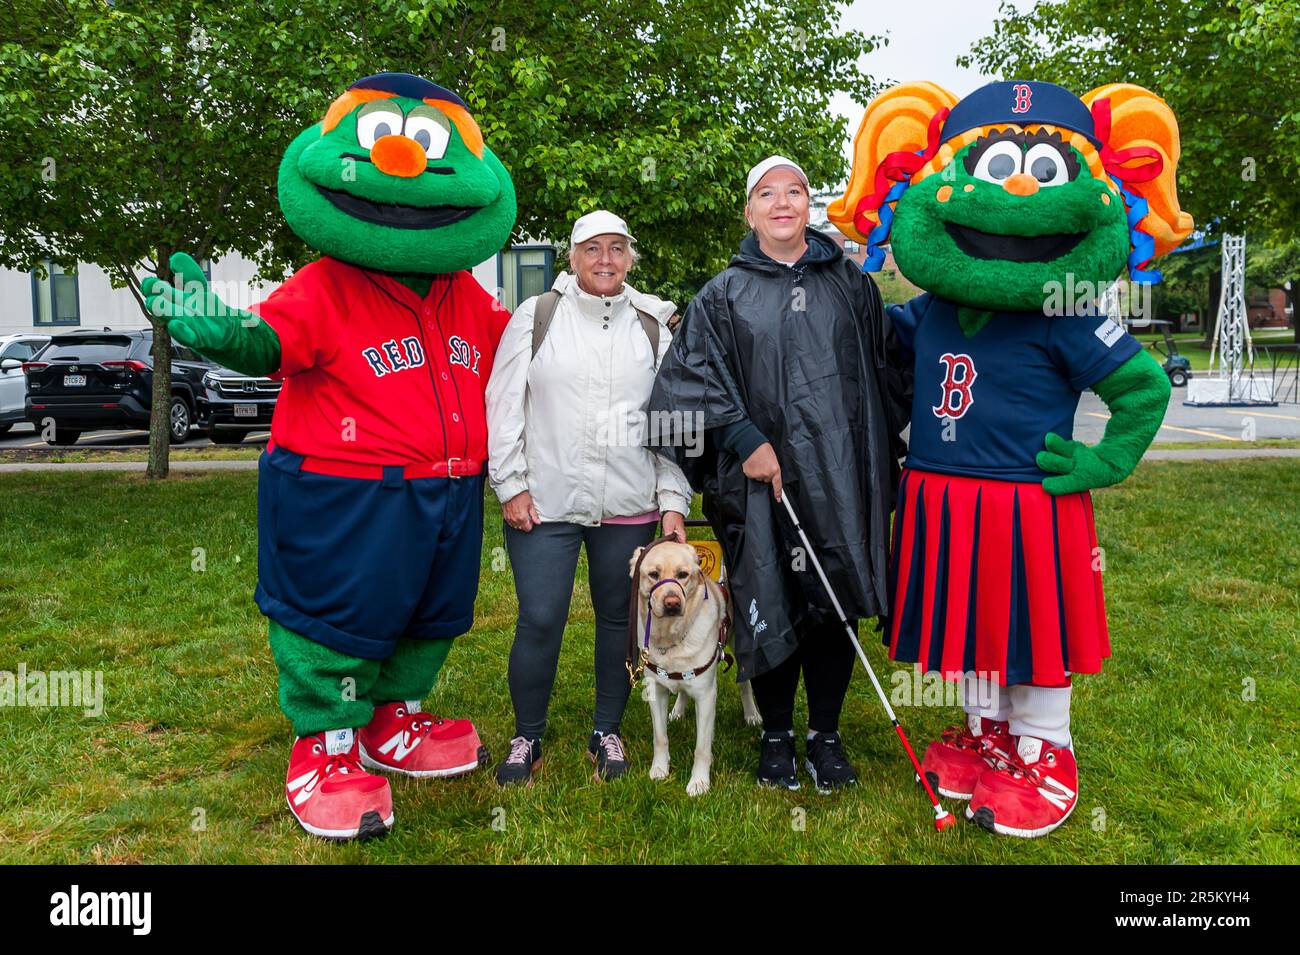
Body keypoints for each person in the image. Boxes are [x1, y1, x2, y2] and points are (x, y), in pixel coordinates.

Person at [141, 73, 517, 840]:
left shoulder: (466, 294)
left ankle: (393, 720)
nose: (409, 162)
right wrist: (202, 321)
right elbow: (262, 343)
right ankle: (325, 743)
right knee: (337, 619)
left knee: (429, 613)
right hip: (345, 493)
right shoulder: (326, 285)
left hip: (446, 494)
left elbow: (519, 354)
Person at [647, 157, 911, 792]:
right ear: (750, 211)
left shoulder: (850, 283)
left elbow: (887, 374)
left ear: (807, 206)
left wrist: (875, 454)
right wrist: (743, 440)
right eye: (768, 194)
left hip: (841, 477)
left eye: (795, 191)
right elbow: (686, 386)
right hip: (758, 482)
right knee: (771, 592)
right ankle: (776, 735)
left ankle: (825, 733)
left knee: (833, 600)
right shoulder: (722, 295)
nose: (783, 202)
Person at [486, 210, 691, 785]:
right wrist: (512, 484)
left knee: (618, 620)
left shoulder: (653, 327)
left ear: (630, 257)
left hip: (630, 503)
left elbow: (671, 423)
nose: (605, 260)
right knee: (541, 617)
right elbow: (503, 405)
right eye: (592, 248)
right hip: (544, 502)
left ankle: (607, 730)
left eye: (617, 249)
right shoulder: (537, 317)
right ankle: (527, 735)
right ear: (571, 257)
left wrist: (673, 499)